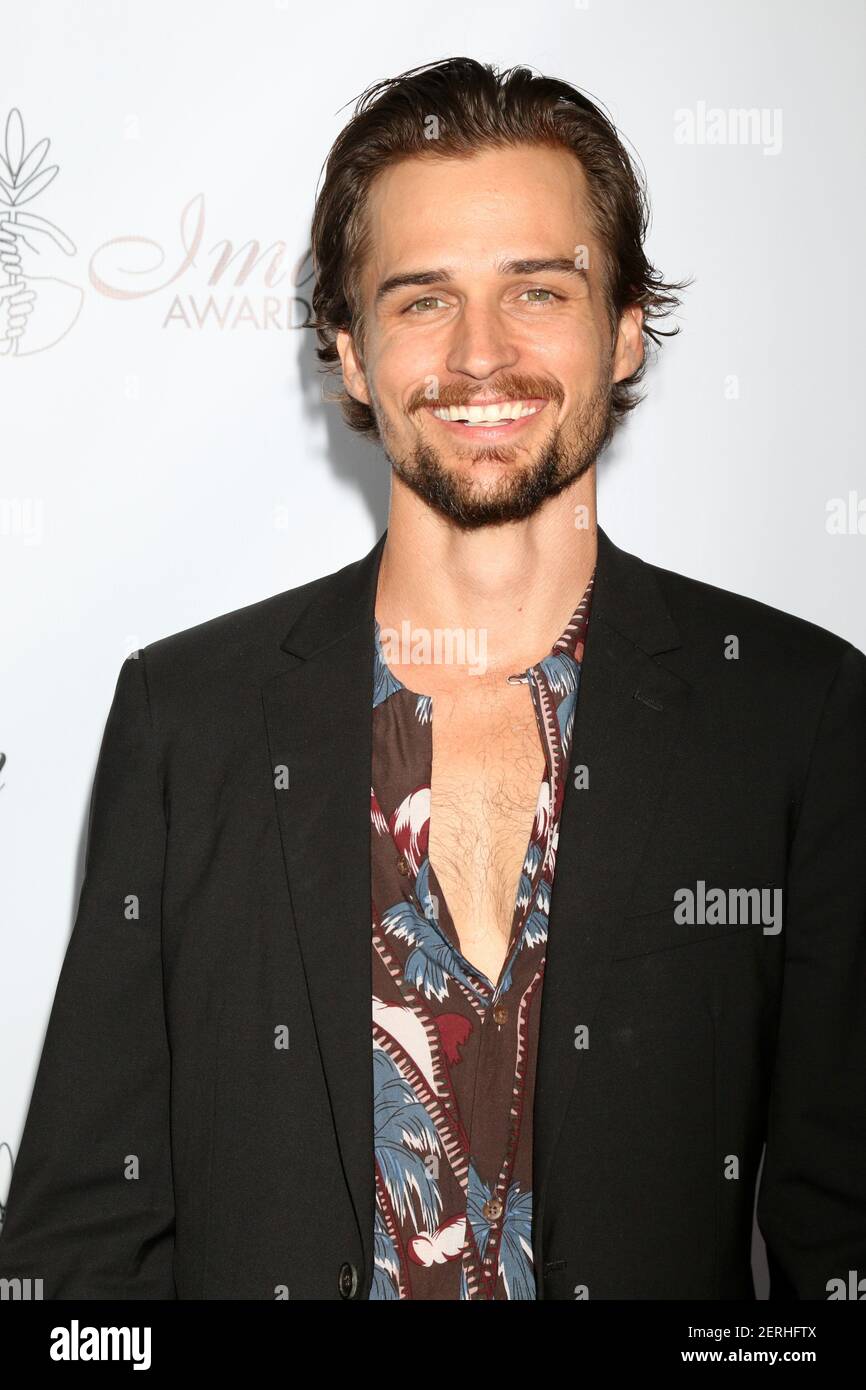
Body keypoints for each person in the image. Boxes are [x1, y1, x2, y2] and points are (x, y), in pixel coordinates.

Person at [1, 57, 864, 1301]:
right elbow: (82, 1249)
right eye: (420, 302)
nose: (479, 356)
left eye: (536, 291)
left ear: (625, 328)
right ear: (348, 352)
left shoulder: (791, 711)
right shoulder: (186, 720)